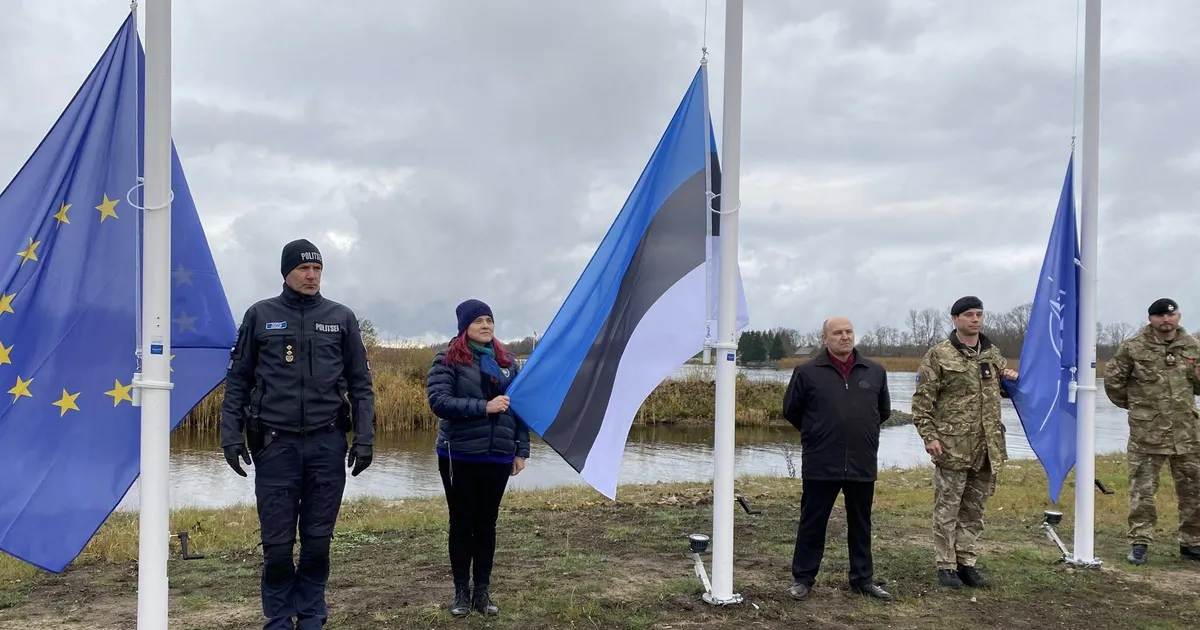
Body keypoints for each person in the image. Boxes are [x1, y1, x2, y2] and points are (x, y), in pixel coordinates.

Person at [219, 238, 376, 630]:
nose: (311, 276)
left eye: (317, 269)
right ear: (287, 272)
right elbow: (237, 380)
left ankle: (310, 618)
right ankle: (277, 620)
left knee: (317, 544)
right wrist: (230, 435)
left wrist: (366, 437)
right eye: (304, 269)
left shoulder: (341, 318)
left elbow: (361, 383)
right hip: (275, 445)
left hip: (326, 443)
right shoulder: (260, 315)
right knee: (276, 546)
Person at [426, 299, 530, 618]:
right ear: (464, 328)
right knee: (462, 523)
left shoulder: (508, 361)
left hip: (498, 456)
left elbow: (520, 407)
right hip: (459, 455)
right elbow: (439, 402)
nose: (486, 325)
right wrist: (483, 407)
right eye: (478, 321)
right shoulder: (447, 359)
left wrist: (521, 450)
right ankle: (461, 592)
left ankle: (482, 592)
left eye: (489, 320)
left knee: (487, 524)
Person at [782, 316, 894, 602]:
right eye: (837, 333)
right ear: (824, 338)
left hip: (861, 461)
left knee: (861, 523)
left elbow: (883, 412)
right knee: (813, 522)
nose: (845, 337)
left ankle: (862, 579)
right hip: (821, 461)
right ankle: (803, 579)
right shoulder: (807, 371)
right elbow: (792, 410)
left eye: (848, 332)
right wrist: (818, 434)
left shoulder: (875, 371)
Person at [911, 296, 1017, 589]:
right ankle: (945, 565)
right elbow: (922, 402)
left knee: (974, 509)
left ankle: (966, 562)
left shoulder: (993, 355)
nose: (975, 319)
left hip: (987, 448)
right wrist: (929, 437)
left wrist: (1010, 379)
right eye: (969, 315)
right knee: (948, 508)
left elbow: (1006, 394)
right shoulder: (939, 355)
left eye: (979, 314)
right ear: (955, 319)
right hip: (953, 447)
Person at [1102, 297, 1200, 565]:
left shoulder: (1192, 346)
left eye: (1171, 315)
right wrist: (1139, 408)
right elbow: (1113, 382)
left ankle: (1192, 542)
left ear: (1178, 316)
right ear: (1151, 319)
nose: (1166, 321)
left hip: (1187, 432)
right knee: (1142, 491)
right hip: (1148, 433)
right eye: (1159, 316)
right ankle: (1140, 542)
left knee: (1194, 490)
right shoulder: (1133, 347)